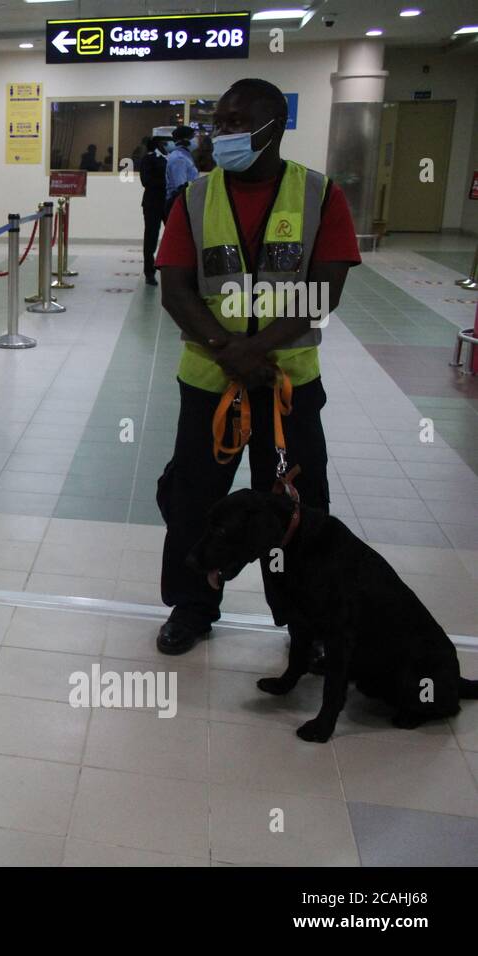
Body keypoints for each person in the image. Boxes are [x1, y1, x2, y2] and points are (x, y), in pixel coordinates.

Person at [152, 78, 361, 656]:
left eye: (238, 122)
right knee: (194, 499)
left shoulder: (320, 195)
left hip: (287, 387)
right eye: (219, 122)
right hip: (209, 386)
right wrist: (231, 352)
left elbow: (326, 288)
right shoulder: (194, 198)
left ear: (275, 127)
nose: (223, 133)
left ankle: (305, 621)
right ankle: (192, 608)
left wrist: (255, 351)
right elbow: (175, 289)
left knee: (295, 504)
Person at [139, 135, 167, 286]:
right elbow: (146, 181)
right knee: (151, 238)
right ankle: (149, 272)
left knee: (175, 235)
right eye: (164, 143)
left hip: (168, 202)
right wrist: (166, 182)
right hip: (153, 203)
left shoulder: (168, 159)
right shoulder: (148, 159)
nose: (166, 146)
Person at [163, 125, 198, 217]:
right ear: (185, 140)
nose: (196, 140)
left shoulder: (185, 156)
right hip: (178, 203)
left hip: (184, 201)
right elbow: (180, 186)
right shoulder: (179, 158)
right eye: (193, 137)